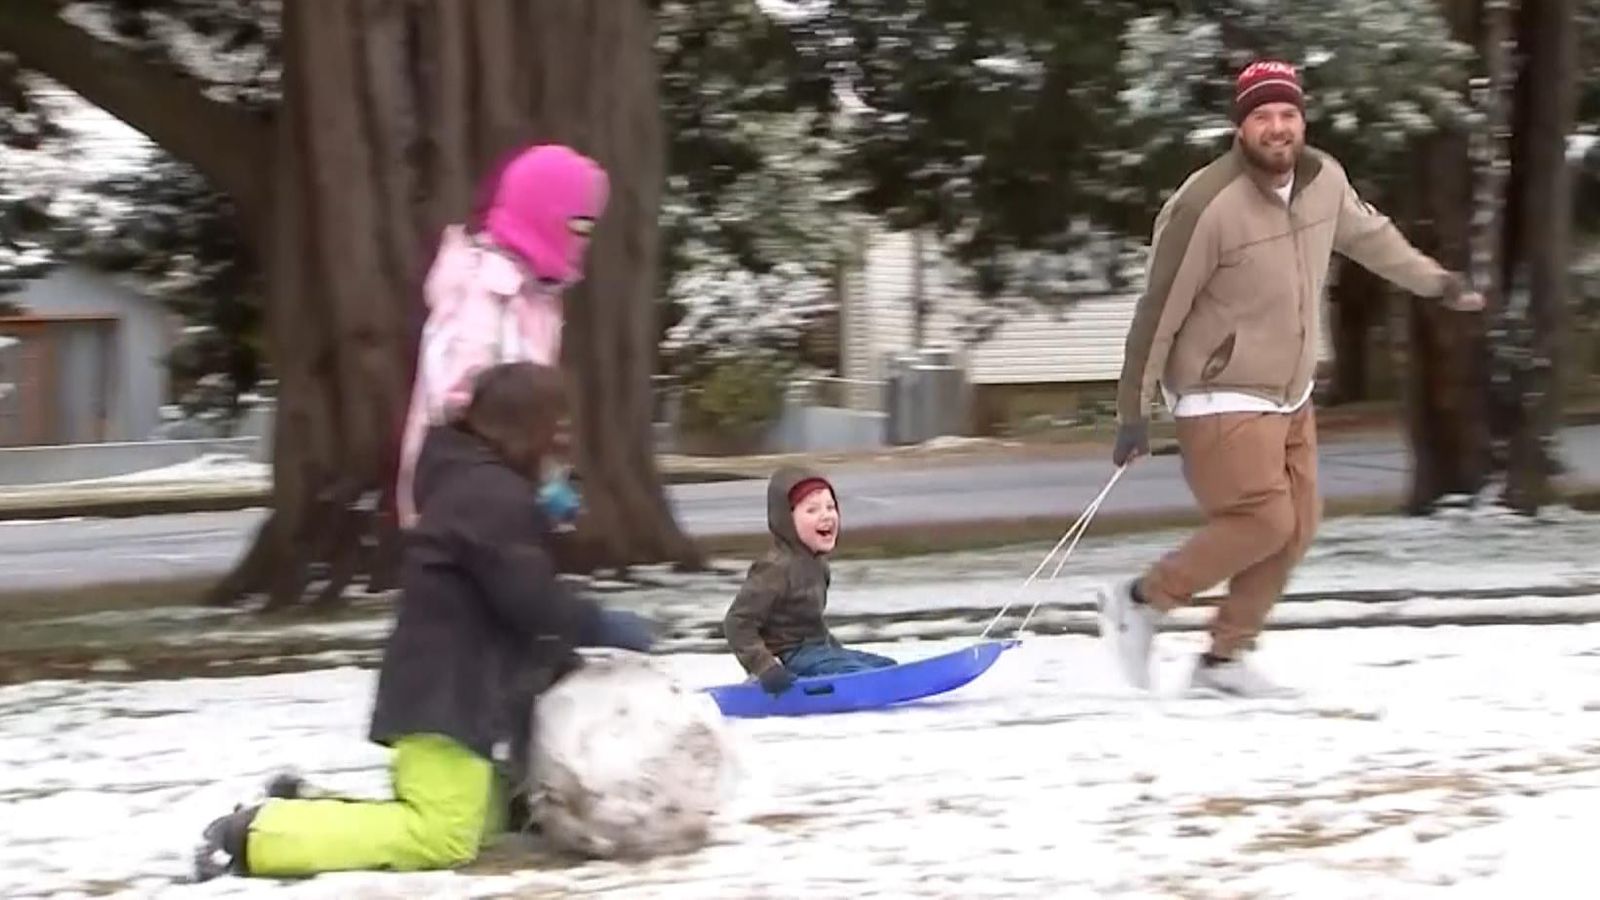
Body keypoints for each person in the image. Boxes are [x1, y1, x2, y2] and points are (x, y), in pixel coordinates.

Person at [1100, 59, 1484, 698]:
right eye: (1261, 117)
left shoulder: (1323, 179)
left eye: (1287, 115)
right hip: (1218, 389)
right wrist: (1132, 413)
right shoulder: (1204, 205)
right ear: (1241, 127)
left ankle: (1223, 660)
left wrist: (1437, 283)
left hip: (1290, 391)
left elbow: (1373, 238)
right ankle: (1141, 599)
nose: (1277, 128)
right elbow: (1157, 311)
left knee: (1297, 525)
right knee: (1262, 521)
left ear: (1301, 120)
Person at [194, 363, 653, 881]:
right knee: (439, 837)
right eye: (558, 427)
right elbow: (530, 602)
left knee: (487, 816)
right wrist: (601, 625)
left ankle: (302, 807)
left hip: (447, 689)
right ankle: (251, 836)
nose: (564, 440)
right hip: (447, 695)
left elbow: (511, 596)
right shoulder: (491, 497)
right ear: (527, 426)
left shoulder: (480, 486)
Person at [396, 143, 609, 529]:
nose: (584, 240)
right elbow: (457, 399)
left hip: (502, 498)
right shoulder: (484, 290)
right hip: (462, 502)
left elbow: (524, 414)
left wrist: (547, 474)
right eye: (578, 226)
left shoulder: (535, 299)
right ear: (545, 216)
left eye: (590, 228)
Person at [723, 467, 896, 695]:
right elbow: (737, 623)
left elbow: (811, 623)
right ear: (787, 521)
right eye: (812, 510)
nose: (825, 515)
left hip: (816, 650)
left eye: (830, 507)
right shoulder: (774, 568)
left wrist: (836, 653)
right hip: (787, 658)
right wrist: (765, 667)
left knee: (888, 669)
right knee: (860, 676)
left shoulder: (818, 565)